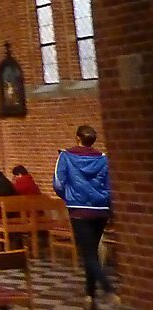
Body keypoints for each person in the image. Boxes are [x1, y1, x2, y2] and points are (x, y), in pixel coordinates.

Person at [54, 125, 118, 308]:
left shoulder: (66, 156)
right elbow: (110, 183)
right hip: (101, 209)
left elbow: (59, 183)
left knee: (88, 254)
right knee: (92, 252)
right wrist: (106, 201)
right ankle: (89, 296)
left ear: (77, 138)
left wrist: (68, 197)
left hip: (78, 209)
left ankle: (108, 289)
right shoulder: (104, 159)